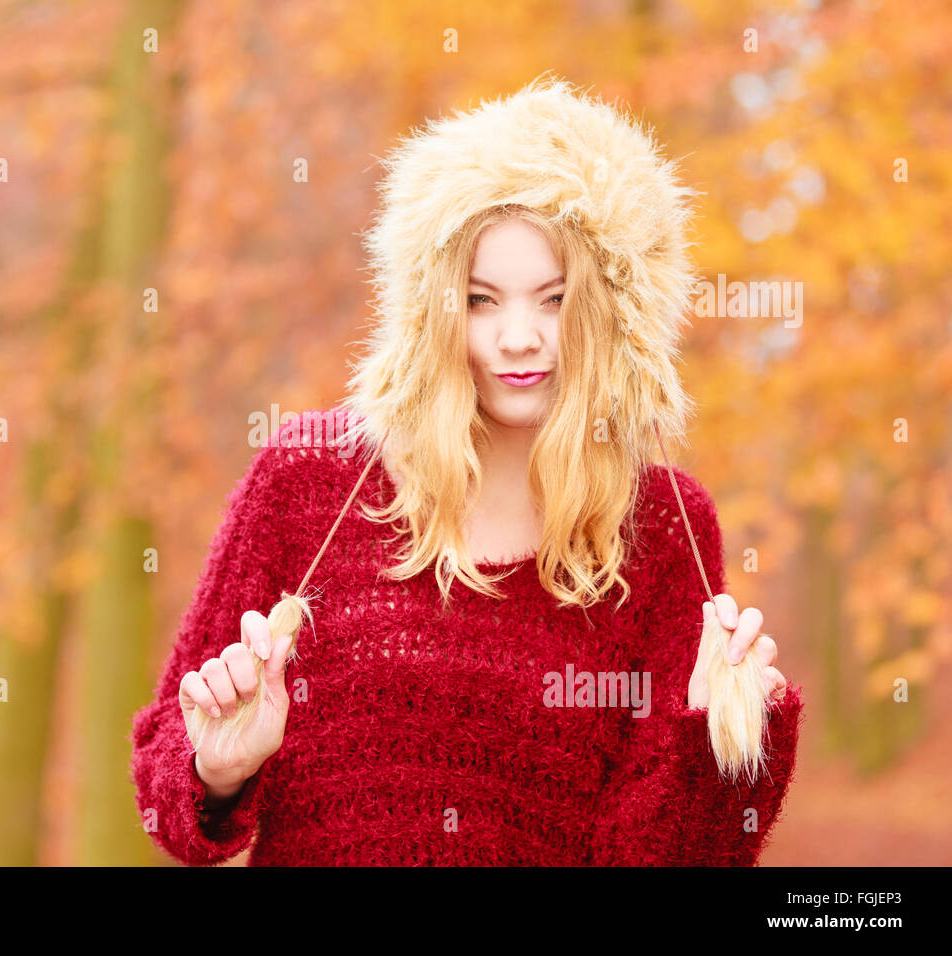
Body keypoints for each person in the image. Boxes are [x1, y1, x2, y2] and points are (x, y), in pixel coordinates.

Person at [129, 76, 804, 866]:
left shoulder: (658, 525)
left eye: (554, 300)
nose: (518, 337)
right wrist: (217, 768)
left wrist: (716, 750)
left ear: (613, 316)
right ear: (431, 308)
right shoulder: (308, 480)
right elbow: (161, 775)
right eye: (483, 300)